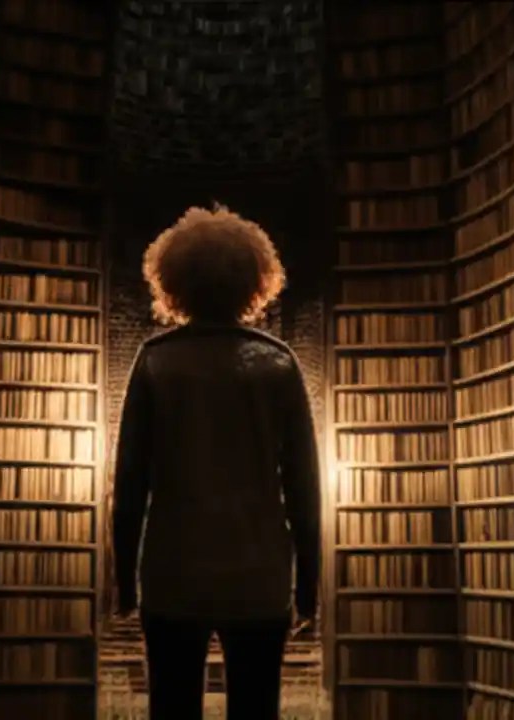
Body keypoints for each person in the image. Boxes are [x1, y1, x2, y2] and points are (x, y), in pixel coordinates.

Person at [111, 203, 321, 720]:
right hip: (259, 576)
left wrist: (124, 583)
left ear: (173, 279)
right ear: (254, 280)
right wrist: (309, 587)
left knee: (172, 708)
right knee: (256, 709)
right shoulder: (277, 363)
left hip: (172, 573)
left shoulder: (156, 361)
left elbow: (130, 481)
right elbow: (304, 487)